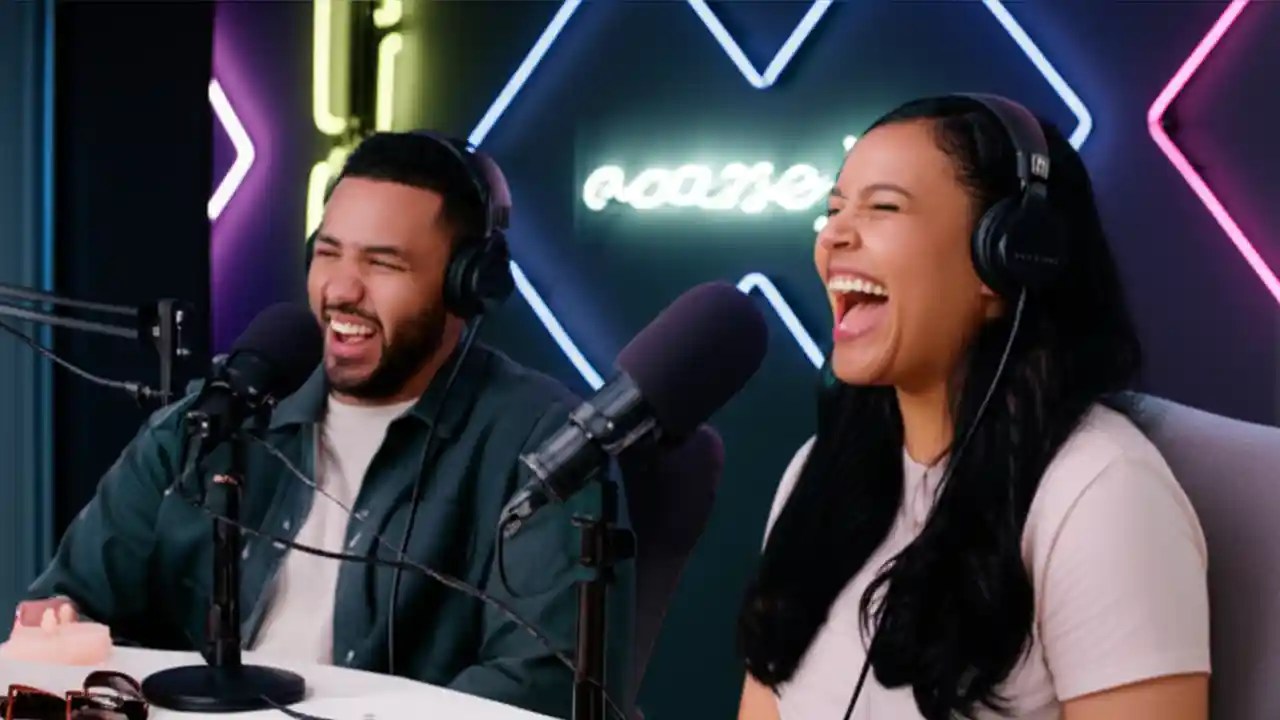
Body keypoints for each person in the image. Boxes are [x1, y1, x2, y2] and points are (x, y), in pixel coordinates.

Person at [18, 131, 634, 719]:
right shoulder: (213, 421)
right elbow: (68, 605)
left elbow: (542, 684)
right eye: (329, 252)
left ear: (466, 286)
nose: (340, 289)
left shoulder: (544, 450)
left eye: (383, 264)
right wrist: (59, 626)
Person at [736, 95, 1210, 720]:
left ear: (1007, 256)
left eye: (882, 207)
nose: (834, 237)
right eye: (833, 209)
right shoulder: (819, 474)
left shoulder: (1099, 491)